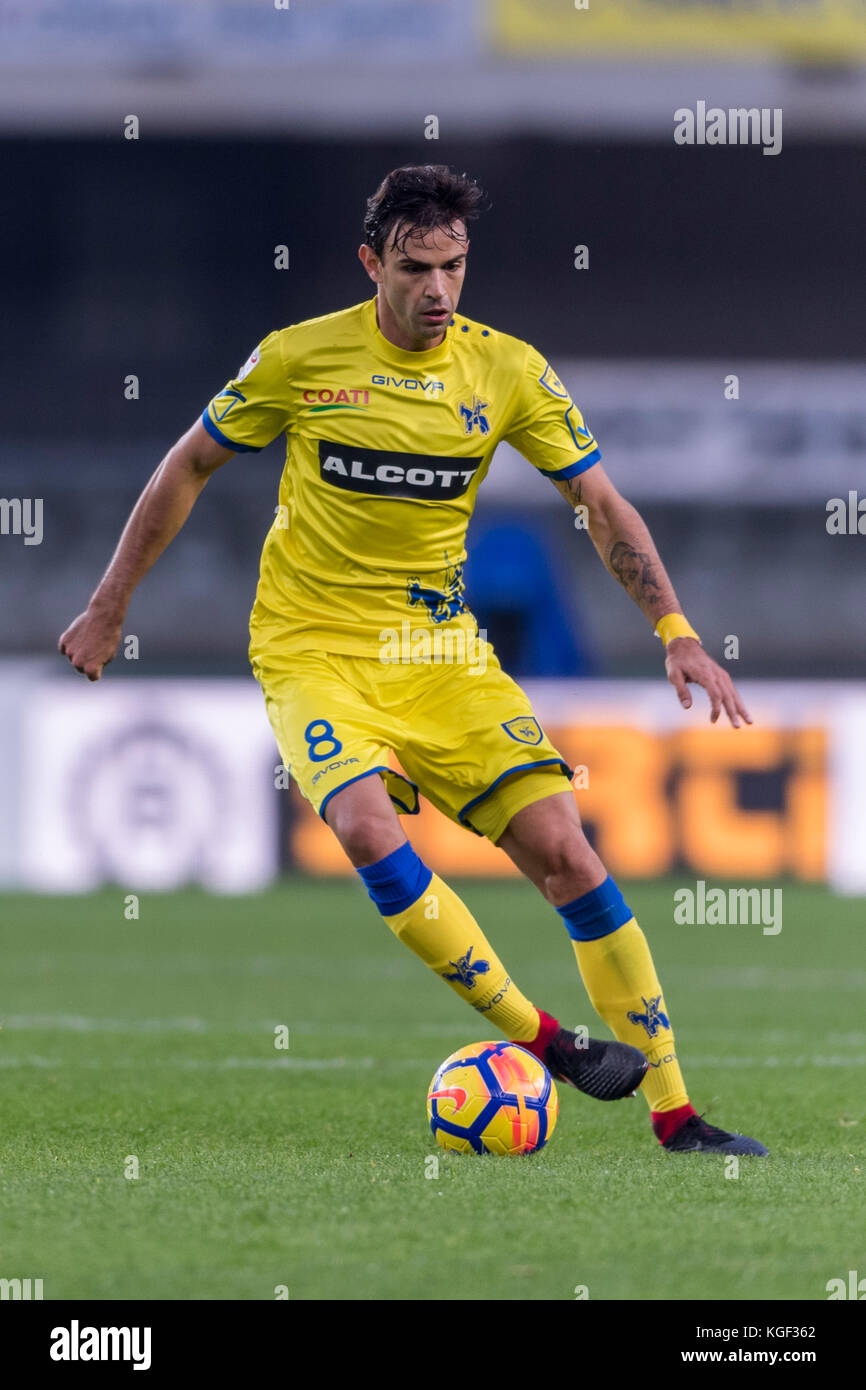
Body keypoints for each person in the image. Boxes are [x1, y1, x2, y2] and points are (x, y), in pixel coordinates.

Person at [60, 164, 767, 1156]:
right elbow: (187, 464)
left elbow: (600, 505)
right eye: (415, 267)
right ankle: (548, 1041)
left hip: (437, 652)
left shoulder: (507, 371)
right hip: (311, 648)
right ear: (371, 264)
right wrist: (107, 607)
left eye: (454, 265)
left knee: (567, 852)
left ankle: (676, 1115)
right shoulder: (299, 360)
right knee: (360, 826)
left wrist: (675, 631)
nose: (438, 289)